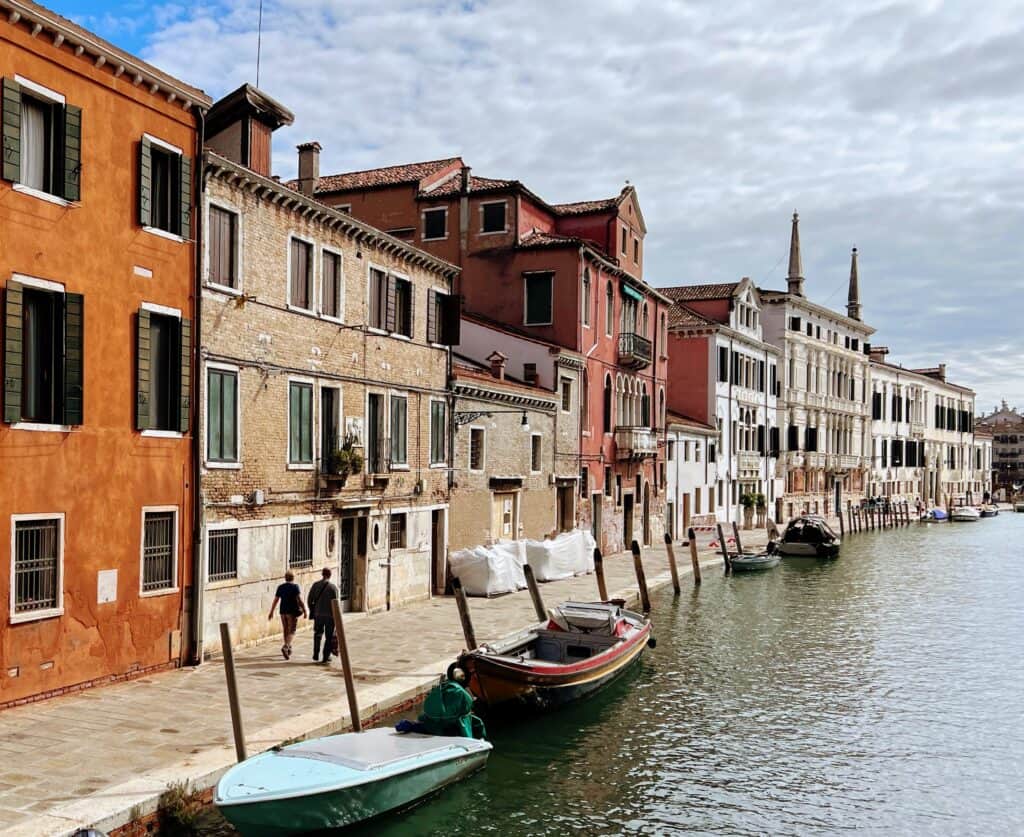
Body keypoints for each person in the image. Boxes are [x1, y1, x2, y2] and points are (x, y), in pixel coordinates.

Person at [268, 571, 306, 660]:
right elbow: (299, 600)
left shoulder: (280, 587)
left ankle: (288, 647)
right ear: (293, 578)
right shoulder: (295, 587)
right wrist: (305, 610)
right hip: (292, 611)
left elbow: (276, 600)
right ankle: (286, 646)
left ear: (285, 578)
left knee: (285, 629)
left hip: (282, 611)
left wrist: (271, 611)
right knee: (292, 630)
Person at [307, 567, 339, 663]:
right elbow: (336, 603)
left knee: (317, 634)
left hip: (318, 614)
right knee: (329, 636)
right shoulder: (333, 588)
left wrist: (312, 610)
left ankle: (316, 654)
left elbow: (309, 599)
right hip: (330, 616)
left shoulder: (315, 585)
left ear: (322, 574)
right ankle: (326, 656)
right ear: (330, 575)